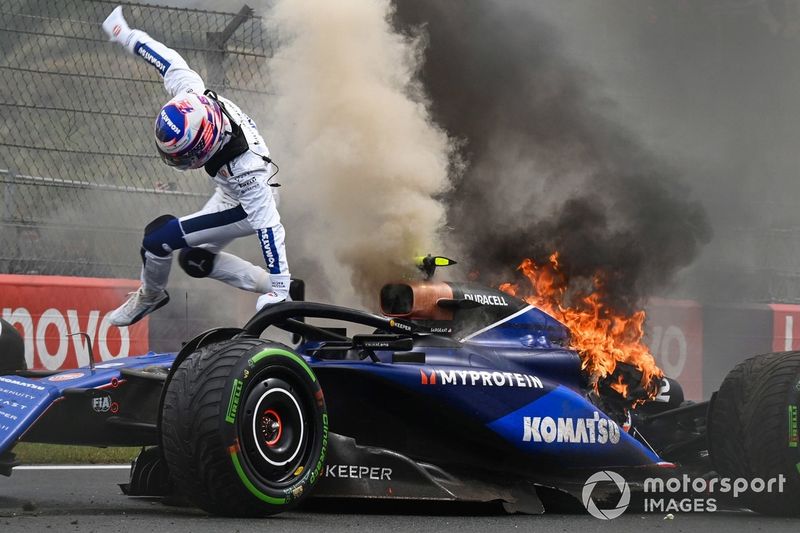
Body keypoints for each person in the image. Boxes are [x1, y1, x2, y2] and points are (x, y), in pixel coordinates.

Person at [101, 6, 291, 326]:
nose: (180, 163)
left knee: (156, 240)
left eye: (185, 157)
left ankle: (152, 294)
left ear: (206, 143)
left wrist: (280, 288)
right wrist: (124, 34)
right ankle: (278, 287)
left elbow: (269, 226)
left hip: (247, 204)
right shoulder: (192, 93)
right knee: (195, 260)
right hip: (232, 193)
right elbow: (163, 58)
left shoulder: (246, 169)